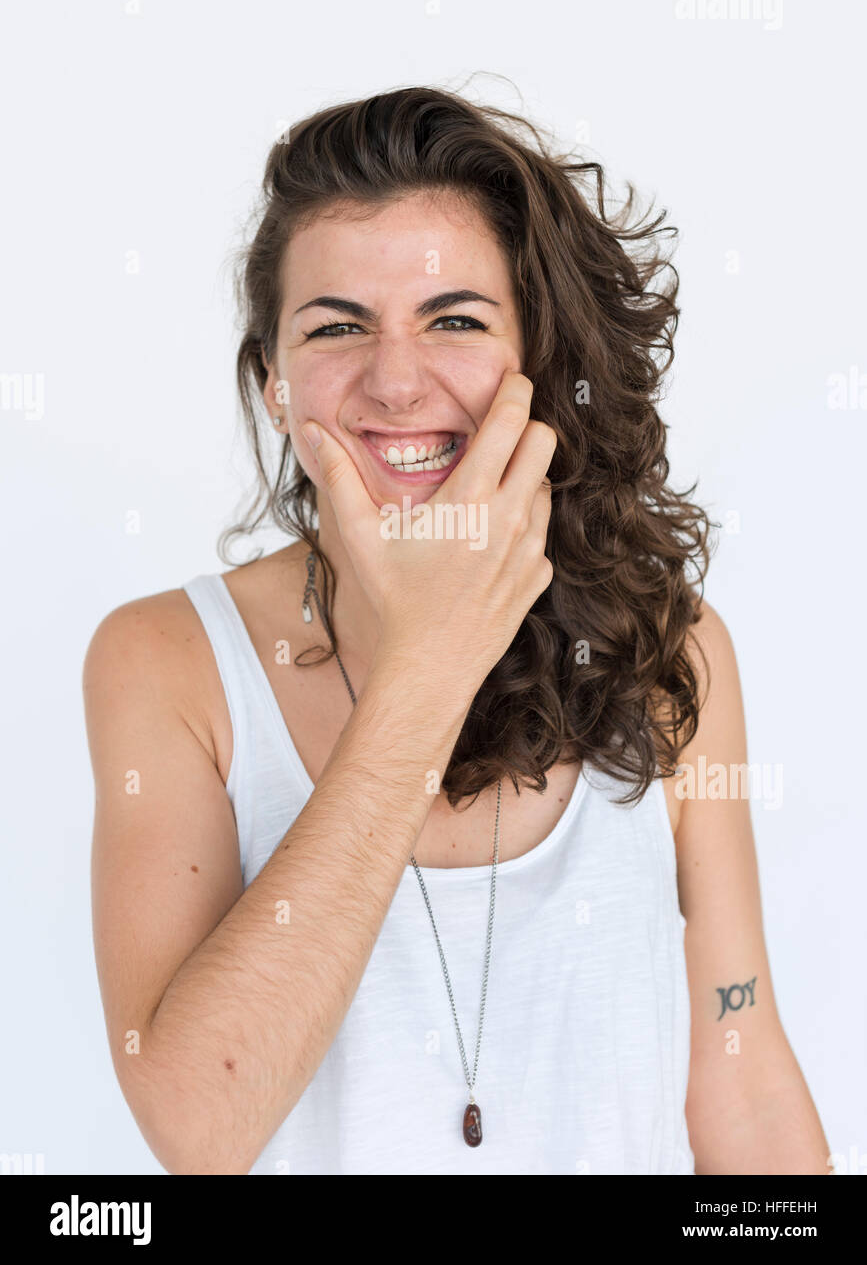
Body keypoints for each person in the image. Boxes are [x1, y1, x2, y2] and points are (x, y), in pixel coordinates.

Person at [83, 85, 829, 1175]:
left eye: (457, 320)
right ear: (274, 386)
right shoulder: (167, 663)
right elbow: (200, 1125)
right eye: (337, 327)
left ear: (540, 360)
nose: (395, 380)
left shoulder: (676, 652)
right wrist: (429, 662)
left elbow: (745, 1078)